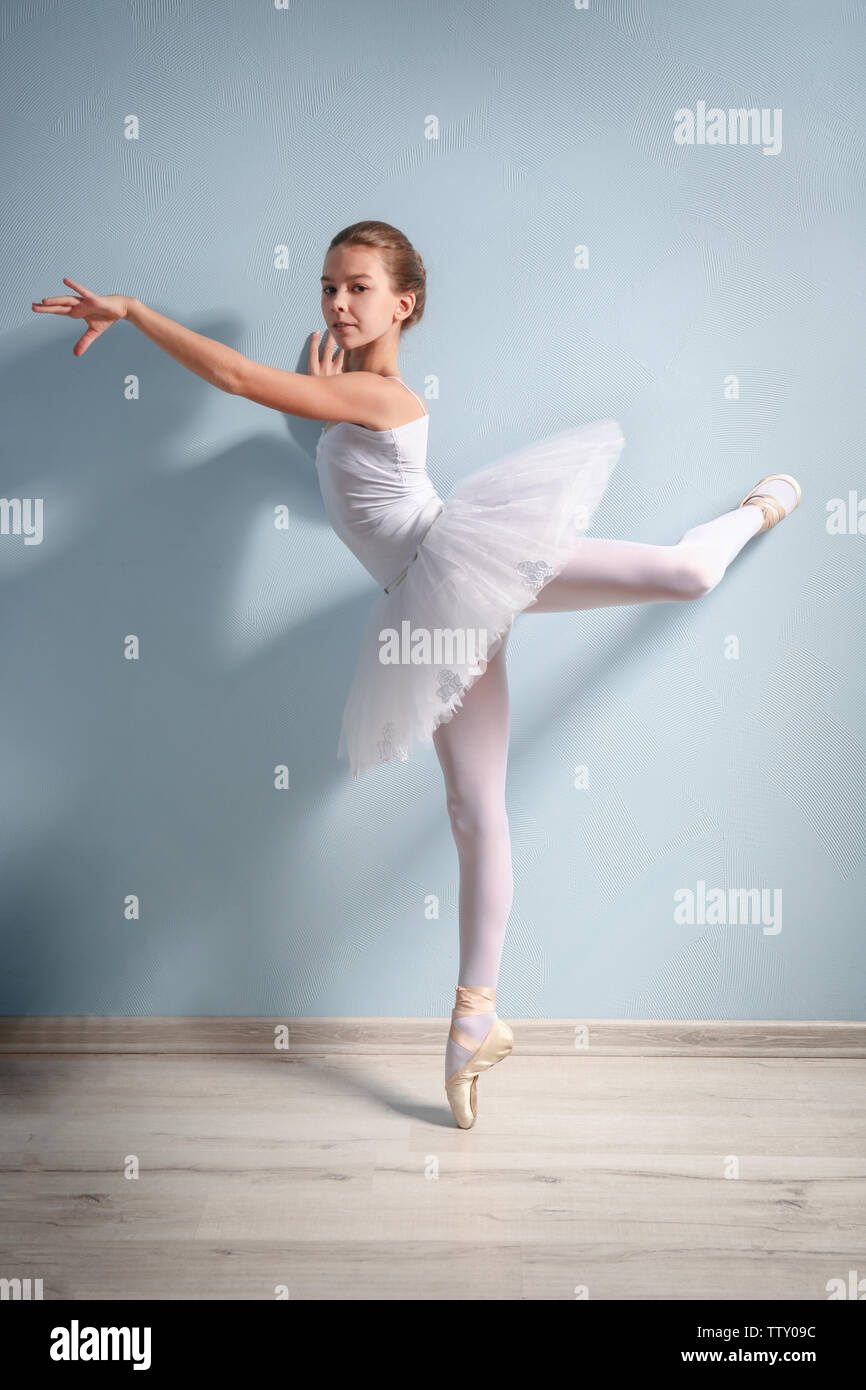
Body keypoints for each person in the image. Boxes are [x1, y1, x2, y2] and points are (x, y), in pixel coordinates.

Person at [31, 221, 802, 1129]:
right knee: (475, 813)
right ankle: (474, 1019)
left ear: (404, 304)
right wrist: (321, 402)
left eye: (357, 287)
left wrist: (135, 310)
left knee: (687, 573)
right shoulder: (356, 395)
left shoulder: (382, 398)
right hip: (428, 606)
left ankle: (757, 508)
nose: (335, 303)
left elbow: (239, 379)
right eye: (326, 287)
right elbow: (344, 469)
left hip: (459, 561)